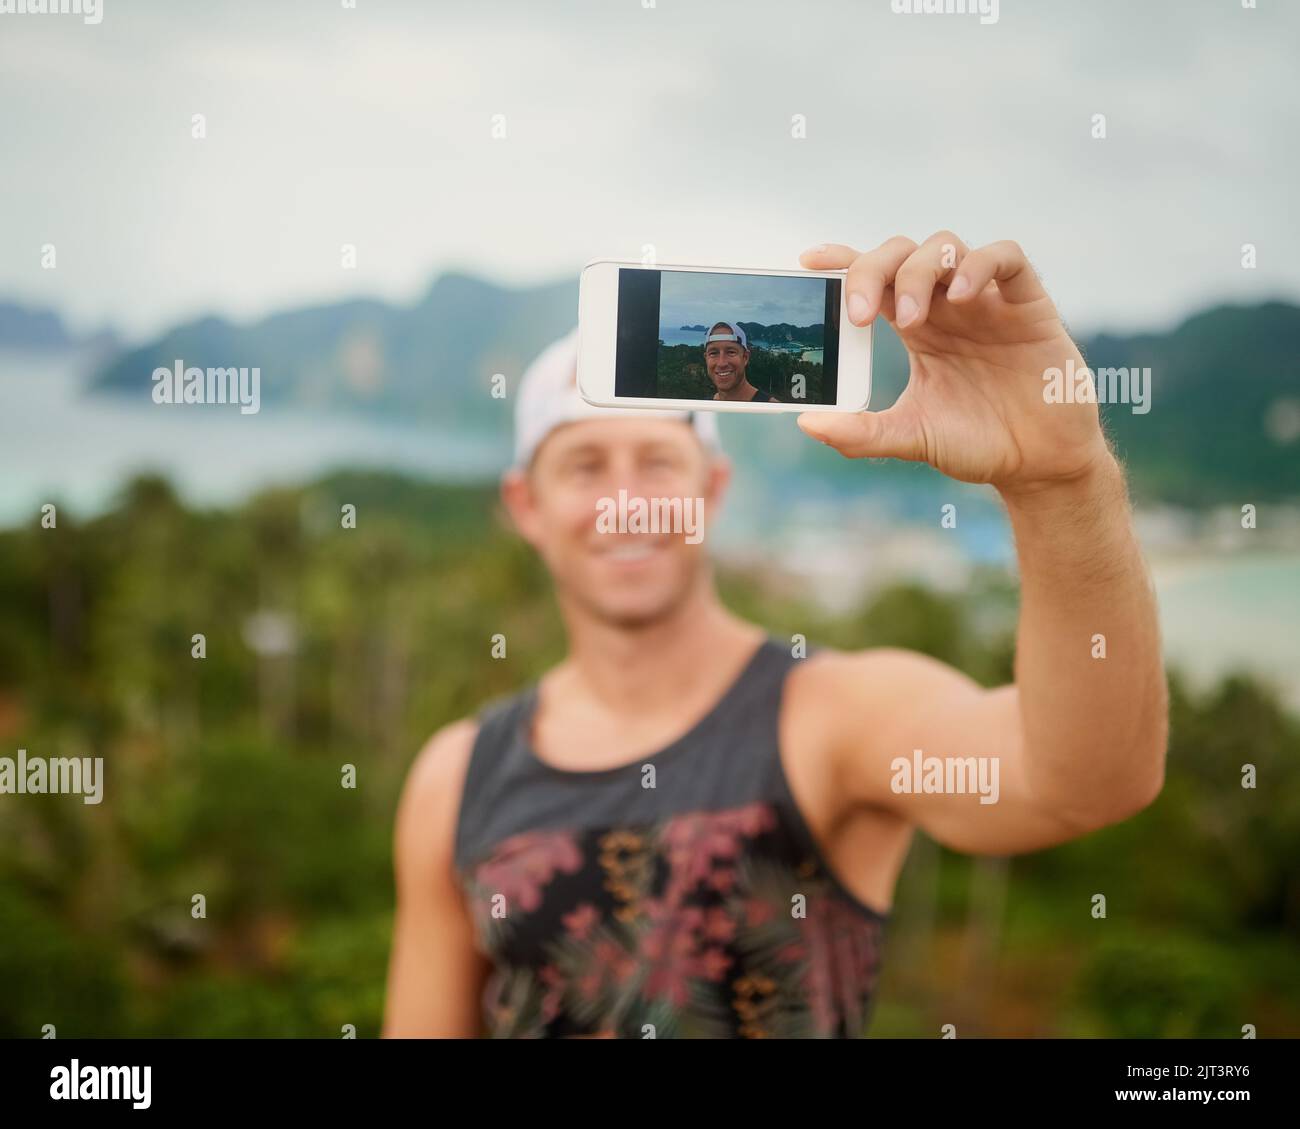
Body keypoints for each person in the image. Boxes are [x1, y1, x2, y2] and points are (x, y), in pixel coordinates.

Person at [382, 232, 1169, 1038]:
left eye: (657, 460)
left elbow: (1088, 779)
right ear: (526, 507)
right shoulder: (457, 780)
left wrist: (1061, 479)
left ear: (713, 486)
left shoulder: (833, 716)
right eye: (584, 466)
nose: (626, 499)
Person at [702, 320, 780, 402]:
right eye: (713, 353)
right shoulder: (702, 409)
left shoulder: (771, 410)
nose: (722, 363)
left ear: (745, 357)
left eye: (731, 352)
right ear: (706, 358)